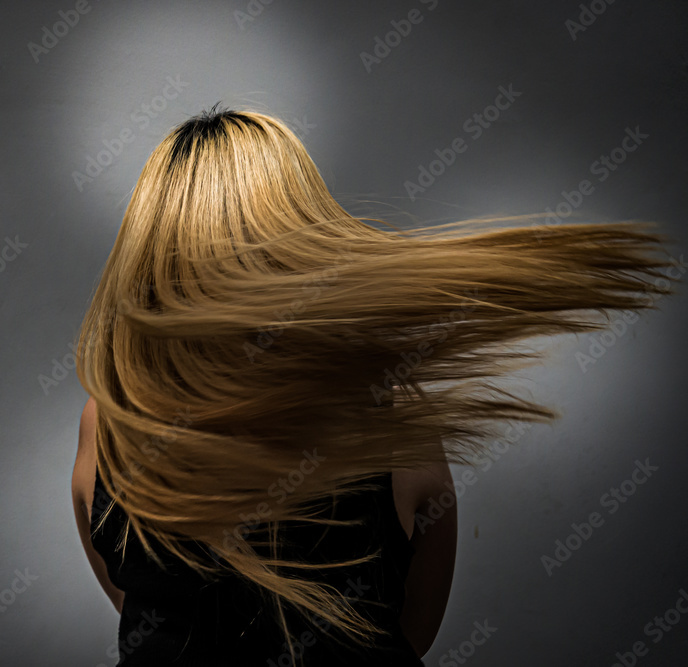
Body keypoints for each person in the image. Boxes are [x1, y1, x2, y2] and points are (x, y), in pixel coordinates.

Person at [70, 104, 674, 665]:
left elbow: (136, 607)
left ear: (150, 256)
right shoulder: (392, 420)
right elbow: (412, 632)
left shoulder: (108, 421)